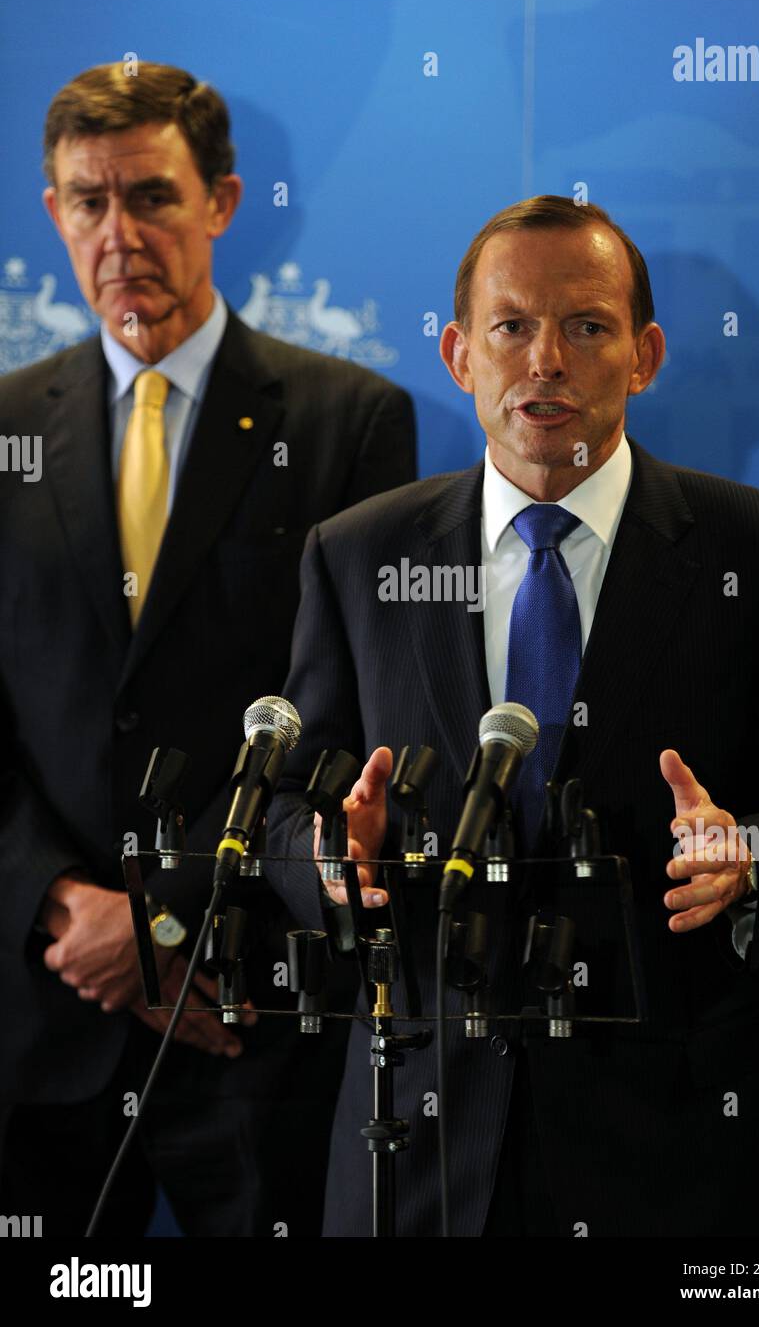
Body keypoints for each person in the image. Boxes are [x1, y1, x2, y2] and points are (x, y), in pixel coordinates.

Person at [264, 196, 759, 1237]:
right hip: (418, 1138)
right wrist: (328, 858)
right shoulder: (357, 553)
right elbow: (285, 801)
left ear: (645, 354)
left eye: (586, 326)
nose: (545, 360)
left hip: (677, 1151)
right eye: (511, 327)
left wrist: (751, 856)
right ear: (458, 353)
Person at [0, 61, 416, 1237]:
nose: (118, 233)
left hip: (256, 1016)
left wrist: (165, 920)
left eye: (152, 197)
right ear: (51, 214)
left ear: (221, 202)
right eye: (88, 201)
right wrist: (62, 908)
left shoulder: (348, 424)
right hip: (44, 1015)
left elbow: (346, 728)